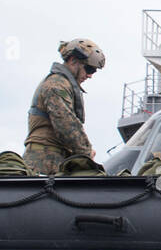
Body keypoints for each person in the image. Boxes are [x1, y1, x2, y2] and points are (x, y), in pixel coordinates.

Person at [24, 38, 105, 176]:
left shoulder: (64, 85)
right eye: (89, 68)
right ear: (73, 60)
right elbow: (66, 124)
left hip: (55, 158)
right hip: (45, 161)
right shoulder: (57, 85)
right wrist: (87, 154)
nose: (90, 75)